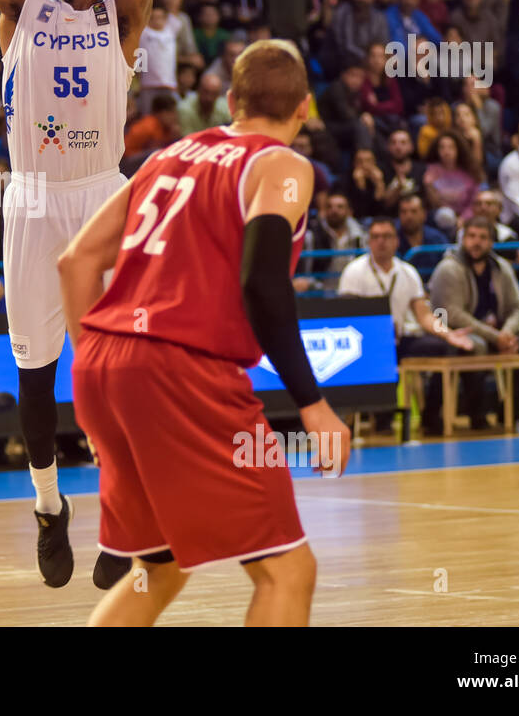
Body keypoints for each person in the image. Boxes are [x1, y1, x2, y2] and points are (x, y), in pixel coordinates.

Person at [57, 40, 350, 625]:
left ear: (232, 101)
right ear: (305, 109)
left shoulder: (166, 155)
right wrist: (313, 404)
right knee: (287, 570)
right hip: (181, 368)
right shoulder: (284, 166)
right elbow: (263, 284)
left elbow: (75, 263)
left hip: (103, 361)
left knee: (159, 568)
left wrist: (101, 382)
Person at [0, 0, 156, 588]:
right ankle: (47, 505)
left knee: (115, 367)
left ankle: (123, 511)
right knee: (36, 369)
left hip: (100, 192)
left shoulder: (122, 17)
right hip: (31, 197)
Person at [338, 217, 475, 435]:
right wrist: (377, 330)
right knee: (382, 355)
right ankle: (382, 420)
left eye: (387, 236)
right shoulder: (354, 272)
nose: (381, 242)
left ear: (396, 241)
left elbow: (424, 316)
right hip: (365, 344)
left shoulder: (407, 272)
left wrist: (448, 334)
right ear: (369, 242)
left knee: (444, 349)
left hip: (399, 340)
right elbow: (346, 316)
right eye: (375, 237)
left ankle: (431, 416)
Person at [428, 215, 519, 429]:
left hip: (499, 332)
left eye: (483, 237)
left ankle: (512, 413)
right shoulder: (448, 268)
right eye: (472, 236)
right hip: (458, 334)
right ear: (463, 239)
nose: (477, 242)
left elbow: (516, 308)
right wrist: (497, 337)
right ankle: (477, 414)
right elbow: (452, 314)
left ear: (492, 242)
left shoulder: (501, 267)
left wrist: (508, 333)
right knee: (477, 345)